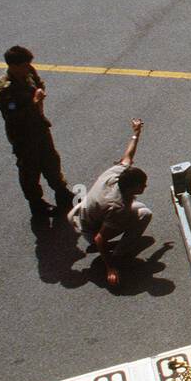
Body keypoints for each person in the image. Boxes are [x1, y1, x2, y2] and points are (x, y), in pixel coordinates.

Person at [68, 119, 152, 289]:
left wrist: (136, 133)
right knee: (144, 215)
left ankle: (113, 246)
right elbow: (100, 239)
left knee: (141, 208)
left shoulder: (118, 173)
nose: (145, 187)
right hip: (93, 230)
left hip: (89, 213)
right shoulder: (118, 206)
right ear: (131, 188)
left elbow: (128, 156)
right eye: (141, 185)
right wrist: (110, 268)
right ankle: (120, 255)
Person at [0, 46, 72, 220]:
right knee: (30, 169)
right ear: (13, 66)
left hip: (39, 127)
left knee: (51, 160)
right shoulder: (5, 89)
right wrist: (33, 102)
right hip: (23, 135)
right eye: (24, 65)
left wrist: (40, 91)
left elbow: (38, 82)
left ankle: (61, 191)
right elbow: (13, 117)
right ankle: (37, 204)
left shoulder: (27, 72)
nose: (29, 67)